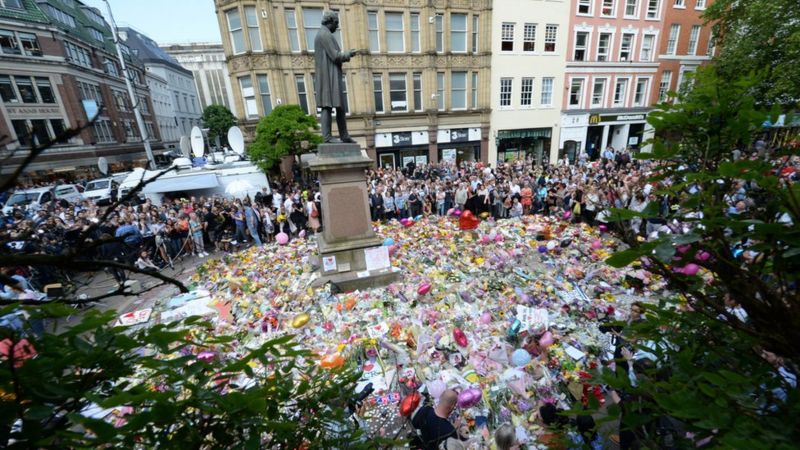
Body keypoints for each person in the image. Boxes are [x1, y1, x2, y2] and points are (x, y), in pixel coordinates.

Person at [314, 11, 357, 143]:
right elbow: (335, 56)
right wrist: (348, 54)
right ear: (330, 21)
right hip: (328, 77)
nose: (337, 26)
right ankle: (327, 137)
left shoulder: (324, 34)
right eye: (336, 23)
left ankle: (344, 135)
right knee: (327, 106)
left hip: (332, 75)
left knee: (340, 107)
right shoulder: (324, 34)